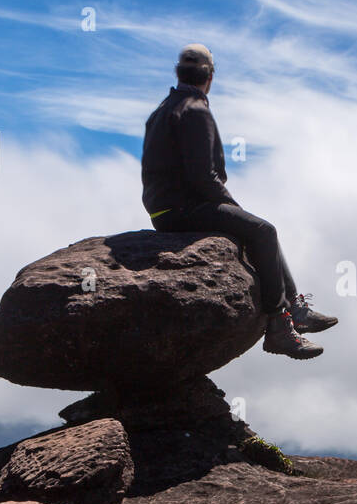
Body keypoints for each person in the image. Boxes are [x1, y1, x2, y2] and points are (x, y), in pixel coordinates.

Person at [141, 43, 337, 360]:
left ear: (179, 73)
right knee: (262, 231)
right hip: (184, 208)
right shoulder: (195, 110)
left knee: (257, 229)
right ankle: (281, 326)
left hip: (162, 210)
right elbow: (203, 177)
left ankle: (295, 309)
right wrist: (232, 207)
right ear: (210, 77)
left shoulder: (161, 111)